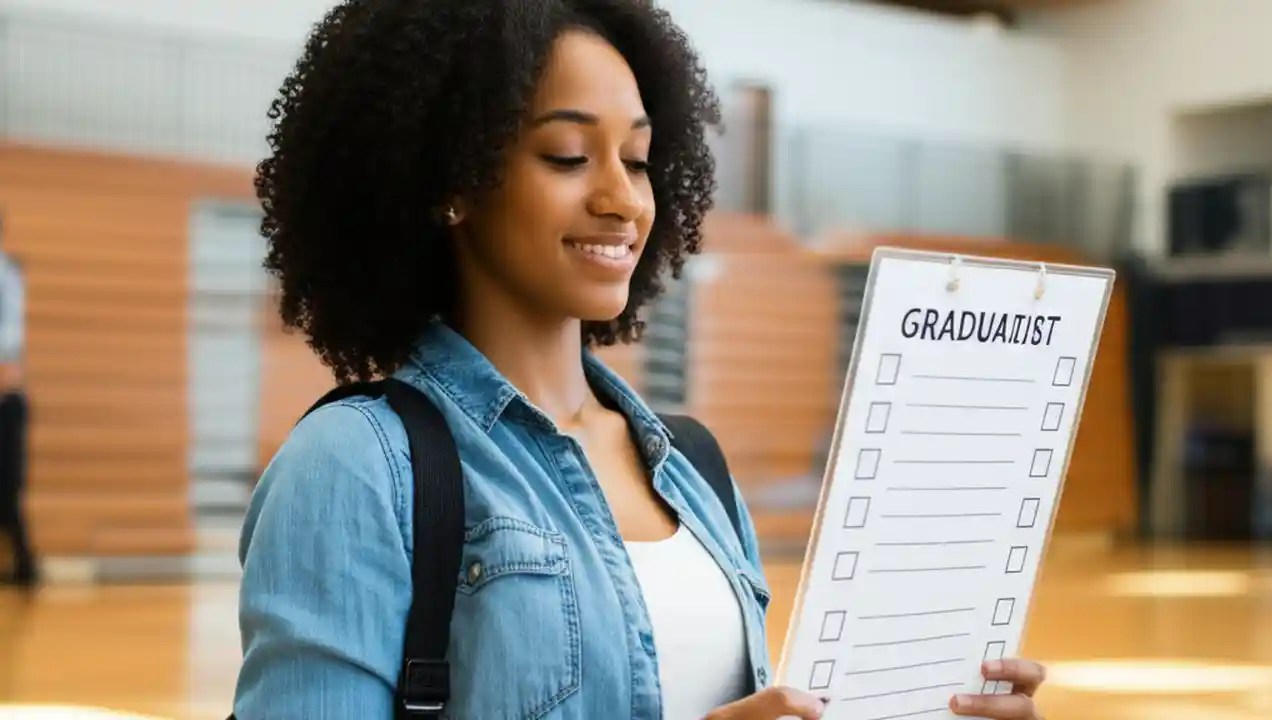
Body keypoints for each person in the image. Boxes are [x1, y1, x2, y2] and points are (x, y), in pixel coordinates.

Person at [232, 2, 1047, 718]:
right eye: (567, 155)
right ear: (450, 180)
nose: (622, 199)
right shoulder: (355, 467)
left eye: (637, 159)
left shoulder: (695, 469)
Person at [0, 214, 35, 587]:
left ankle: (26, 566)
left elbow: (9, 340)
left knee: (7, 489)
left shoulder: (7, 275)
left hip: (6, 400)